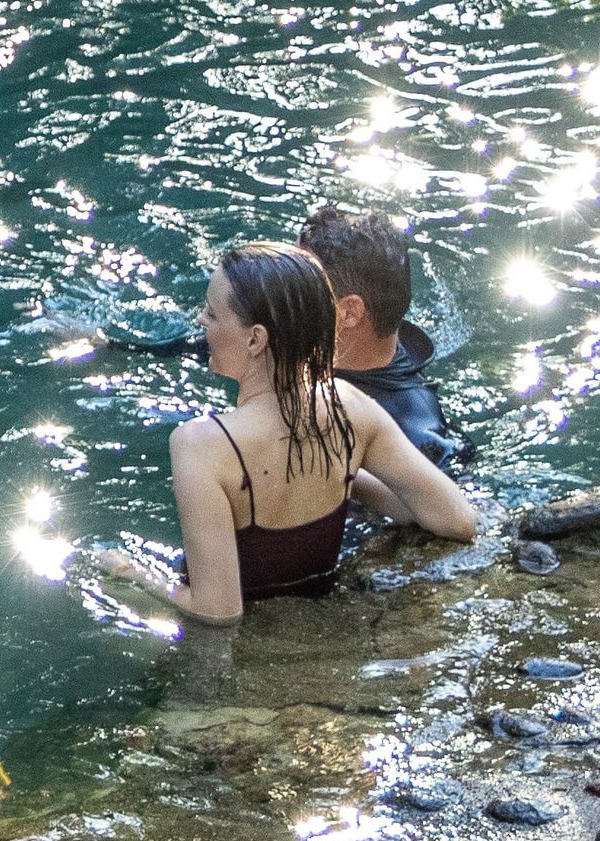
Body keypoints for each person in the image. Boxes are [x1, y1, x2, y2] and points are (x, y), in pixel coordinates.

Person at [164, 241, 478, 616]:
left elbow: (218, 611)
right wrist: (343, 476)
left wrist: (132, 574)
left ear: (255, 339)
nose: (201, 321)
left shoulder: (200, 444)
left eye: (212, 314)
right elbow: (457, 519)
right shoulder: (349, 405)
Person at [299, 200, 474, 471]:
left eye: (299, 279)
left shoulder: (414, 437)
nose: (282, 284)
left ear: (348, 313)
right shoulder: (289, 332)